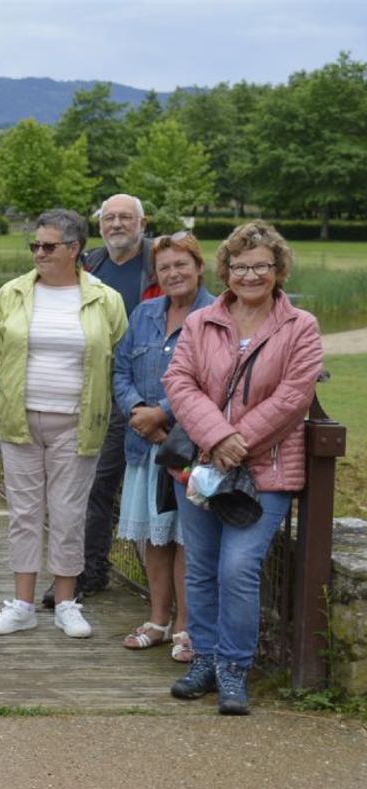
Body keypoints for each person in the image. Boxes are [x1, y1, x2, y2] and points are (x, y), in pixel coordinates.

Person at [163, 221, 322, 715]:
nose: (250, 275)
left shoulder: (301, 327)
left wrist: (239, 441)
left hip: (266, 470)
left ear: (278, 270)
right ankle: (205, 660)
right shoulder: (201, 321)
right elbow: (179, 380)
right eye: (240, 266)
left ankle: (234, 667)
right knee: (202, 569)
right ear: (225, 270)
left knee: (238, 568)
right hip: (205, 470)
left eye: (261, 266)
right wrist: (217, 438)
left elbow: (294, 397)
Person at [0, 209, 127, 639]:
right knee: (24, 512)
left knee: (69, 512)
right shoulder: (12, 294)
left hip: (79, 423)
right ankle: (22, 603)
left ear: (74, 249)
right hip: (20, 420)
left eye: (48, 246)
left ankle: (66, 601)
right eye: (35, 246)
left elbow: (114, 353)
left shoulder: (105, 299)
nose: (39, 254)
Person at [52, 193, 161, 606]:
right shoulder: (90, 264)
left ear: (142, 222)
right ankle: (89, 570)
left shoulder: (158, 263)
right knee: (88, 484)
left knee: (129, 486)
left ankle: (153, 592)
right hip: (91, 388)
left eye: (125, 218)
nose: (117, 224)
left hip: (143, 393)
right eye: (110, 218)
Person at [112, 232, 215, 662]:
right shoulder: (145, 313)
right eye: (166, 267)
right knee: (155, 540)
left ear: (198, 267)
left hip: (190, 449)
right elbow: (120, 369)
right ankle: (158, 619)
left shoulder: (216, 315)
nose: (174, 274)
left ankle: (188, 629)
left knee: (187, 539)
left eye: (181, 265)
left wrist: (165, 414)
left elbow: (214, 377)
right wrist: (139, 410)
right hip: (144, 447)